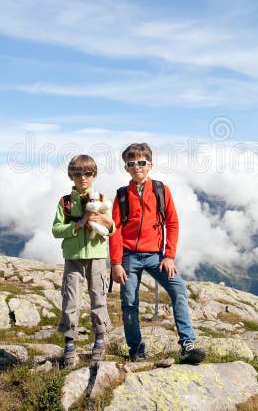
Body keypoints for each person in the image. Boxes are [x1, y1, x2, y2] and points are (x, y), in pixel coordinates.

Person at [110, 142, 206, 364]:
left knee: (179, 289)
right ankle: (136, 349)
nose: (137, 167)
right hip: (129, 257)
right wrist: (116, 263)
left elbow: (172, 223)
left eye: (141, 163)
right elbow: (115, 231)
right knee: (129, 303)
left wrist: (169, 256)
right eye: (131, 163)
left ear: (150, 165)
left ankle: (187, 344)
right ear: (126, 167)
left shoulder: (161, 190)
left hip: (157, 256)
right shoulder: (122, 195)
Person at [51, 154, 114, 368]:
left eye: (87, 174)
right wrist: (78, 224)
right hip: (74, 258)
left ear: (94, 175)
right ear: (71, 176)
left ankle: (99, 341)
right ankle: (69, 346)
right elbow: (56, 230)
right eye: (78, 174)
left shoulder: (102, 199)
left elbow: (112, 228)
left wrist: (104, 221)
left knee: (98, 298)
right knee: (71, 300)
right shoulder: (65, 202)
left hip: (96, 256)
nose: (83, 178)